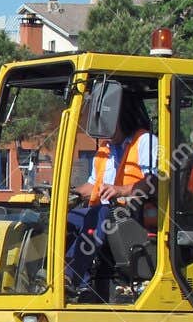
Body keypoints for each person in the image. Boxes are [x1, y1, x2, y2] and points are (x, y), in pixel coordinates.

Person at [65, 95, 158, 299]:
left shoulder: (145, 141)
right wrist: (65, 195)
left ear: (121, 116)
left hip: (134, 213)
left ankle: (70, 276)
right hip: (105, 212)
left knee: (101, 214)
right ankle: (61, 278)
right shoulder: (104, 149)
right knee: (66, 220)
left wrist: (121, 190)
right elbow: (93, 185)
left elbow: (154, 181)